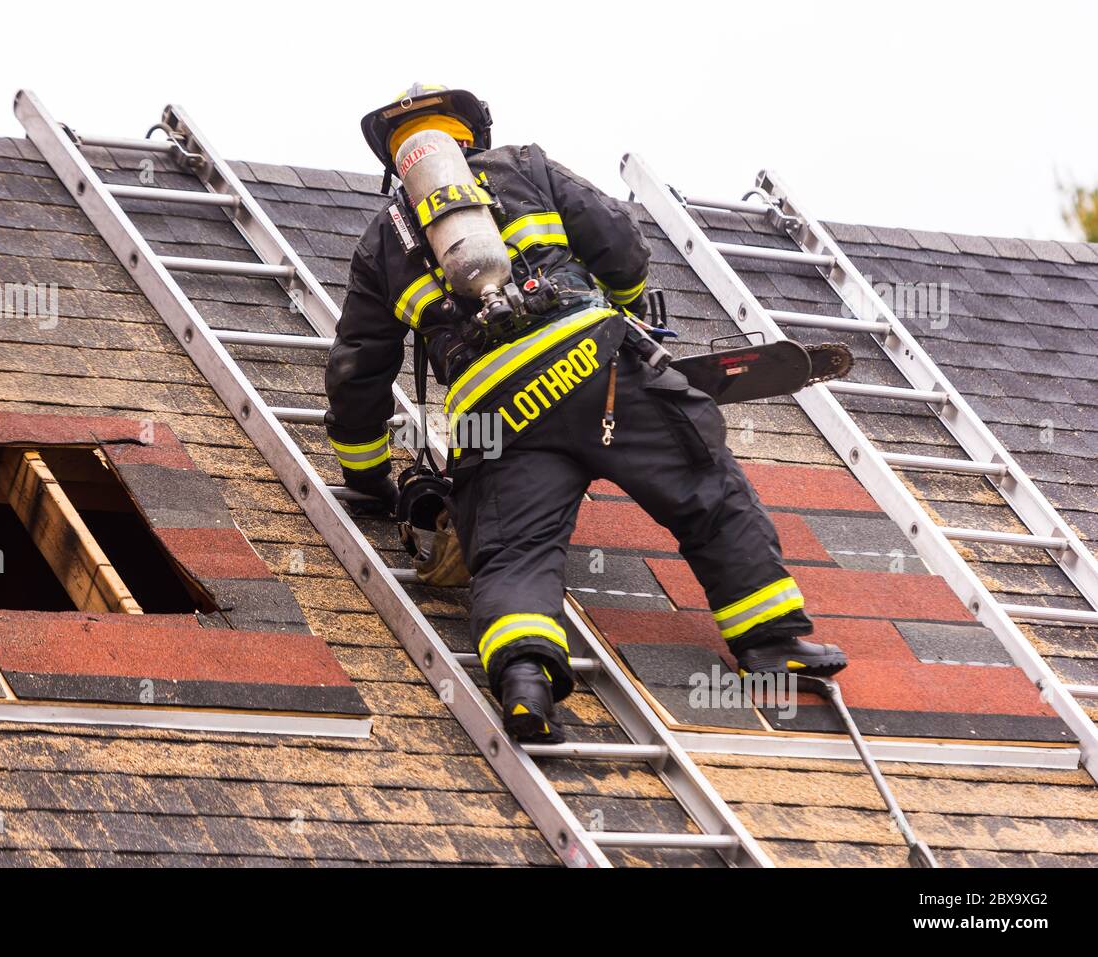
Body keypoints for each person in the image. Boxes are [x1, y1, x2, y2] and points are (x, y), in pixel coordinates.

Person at [325, 83, 847, 743]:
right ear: (469, 132)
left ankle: (524, 689)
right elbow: (619, 243)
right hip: (592, 366)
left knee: (514, 553)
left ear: (395, 161)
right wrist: (624, 308)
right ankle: (770, 643)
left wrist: (368, 473)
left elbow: (357, 372)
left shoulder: (380, 243)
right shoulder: (523, 165)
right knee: (705, 485)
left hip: (494, 416)